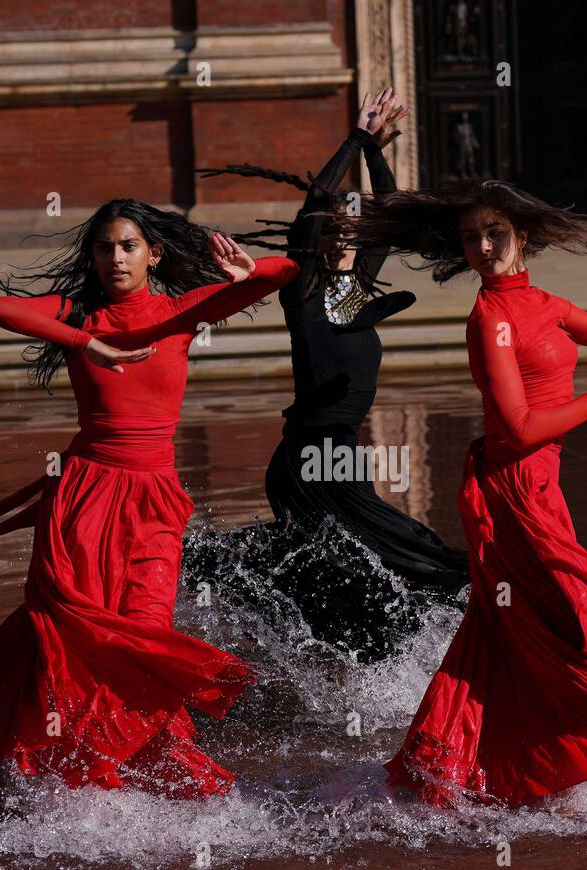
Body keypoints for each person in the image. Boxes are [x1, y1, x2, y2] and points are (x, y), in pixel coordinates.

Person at [333, 179, 587, 806]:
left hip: (542, 482)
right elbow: (519, 429)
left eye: (495, 233)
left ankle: (489, 768)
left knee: (521, 631)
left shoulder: (546, 303)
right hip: (514, 489)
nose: (484, 247)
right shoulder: (490, 319)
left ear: (522, 236)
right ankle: (576, 742)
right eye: (471, 238)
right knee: (579, 614)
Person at [0, 200, 298, 796]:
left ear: (153, 255)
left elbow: (288, 270)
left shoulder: (179, 311)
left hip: (154, 502)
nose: (115, 258)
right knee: (76, 638)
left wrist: (249, 272)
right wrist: (88, 343)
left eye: (128, 246)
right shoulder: (80, 312)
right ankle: (78, 778)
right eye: (105, 248)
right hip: (83, 498)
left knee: (143, 638)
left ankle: (153, 767)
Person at [184, 88, 467, 662]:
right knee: (387, 554)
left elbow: (389, 207)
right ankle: (210, 567)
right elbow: (318, 200)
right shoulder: (304, 288)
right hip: (307, 459)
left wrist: (379, 155)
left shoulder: (360, 282)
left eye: (352, 228)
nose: (342, 234)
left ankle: (358, 657)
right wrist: (357, 139)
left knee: (375, 554)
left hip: (341, 455)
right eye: (333, 228)